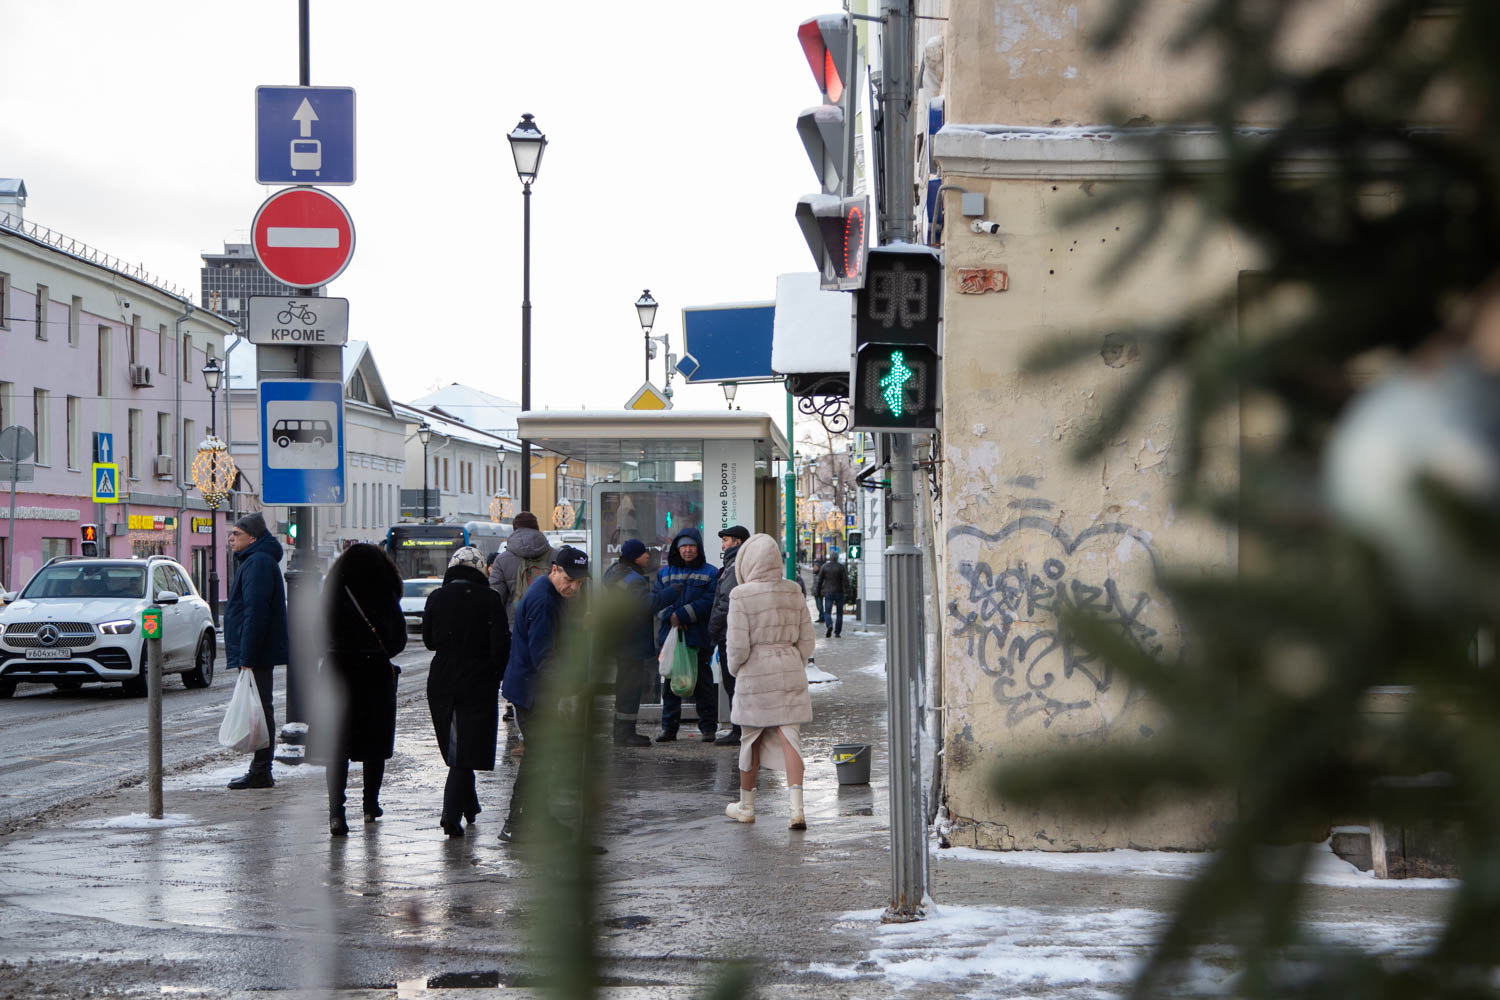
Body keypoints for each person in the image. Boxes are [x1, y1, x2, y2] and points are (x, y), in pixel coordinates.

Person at [723, 533, 816, 829]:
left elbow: (737, 645)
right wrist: (793, 660)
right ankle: (796, 810)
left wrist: (737, 669)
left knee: (750, 739)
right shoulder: (793, 591)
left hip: (755, 672)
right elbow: (807, 639)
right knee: (791, 739)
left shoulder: (741, 595)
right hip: (789, 668)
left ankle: (746, 805)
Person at [499, 546, 590, 844]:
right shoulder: (544, 601)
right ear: (554, 570)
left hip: (534, 688)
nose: (574, 587)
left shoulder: (550, 593)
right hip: (533, 691)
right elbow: (544, 657)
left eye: (579, 582)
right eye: (569, 579)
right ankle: (516, 823)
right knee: (538, 758)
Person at [319, 543, 406, 836]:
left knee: (338, 746)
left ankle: (336, 813)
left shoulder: (332, 591)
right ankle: (370, 806)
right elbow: (398, 639)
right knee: (374, 744)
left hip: (336, 671)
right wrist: (377, 651)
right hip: (373, 672)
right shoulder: (384, 591)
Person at [423, 546, 510, 838]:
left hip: (442, 680)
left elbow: (429, 641)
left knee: (459, 745)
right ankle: (450, 814)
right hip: (477, 681)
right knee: (465, 750)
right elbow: (500, 645)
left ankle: (469, 805)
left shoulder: (437, 597)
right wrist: (496, 675)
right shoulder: (490, 599)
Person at [222, 512, 290, 790]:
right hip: (257, 650)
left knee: (261, 710)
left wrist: (247, 656)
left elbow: (256, 611)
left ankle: (262, 770)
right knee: (260, 709)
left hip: (257, 652)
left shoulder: (258, 563)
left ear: (253, 537)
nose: (230, 539)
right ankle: (260, 768)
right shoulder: (255, 561)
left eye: (236, 534)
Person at [650, 528, 719, 742]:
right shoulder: (664, 573)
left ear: (698, 548)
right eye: (683, 546)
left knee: (703, 684)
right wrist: (671, 617)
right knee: (670, 685)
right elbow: (654, 600)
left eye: (691, 546)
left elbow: (710, 602)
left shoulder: (711, 573)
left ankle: (708, 728)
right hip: (670, 638)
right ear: (677, 549)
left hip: (698, 637)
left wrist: (683, 616)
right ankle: (669, 729)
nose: (687, 550)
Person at [601, 538, 654, 747]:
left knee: (626, 687)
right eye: (644, 553)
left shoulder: (616, 573)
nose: (648, 556)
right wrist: (667, 595)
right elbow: (646, 605)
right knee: (630, 689)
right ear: (635, 556)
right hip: (633, 640)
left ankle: (623, 731)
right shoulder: (634, 580)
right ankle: (625, 734)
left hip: (622, 639)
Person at [707, 525, 750, 746]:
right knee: (733, 683)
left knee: (733, 683)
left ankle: (739, 730)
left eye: (726, 540)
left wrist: (713, 631)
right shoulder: (732, 565)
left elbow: (726, 603)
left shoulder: (734, 567)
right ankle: (740, 728)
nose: (723, 545)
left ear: (738, 542)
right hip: (730, 633)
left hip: (730, 634)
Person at [488, 511, 556, 630]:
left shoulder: (501, 560)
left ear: (515, 530)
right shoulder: (556, 556)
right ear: (537, 529)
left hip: (516, 628)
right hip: (551, 626)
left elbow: (496, 600)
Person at [816, 552, 849, 638]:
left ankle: (829, 625)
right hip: (839, 592)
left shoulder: (824, 567)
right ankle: (837, 632)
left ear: (830, 558)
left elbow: (820, 581)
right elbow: (845, 580)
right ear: (837, 558)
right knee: (839, 613)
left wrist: (818, 591)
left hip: (828, 592)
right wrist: (848, 590)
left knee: (827, 612)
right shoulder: (841, 567)